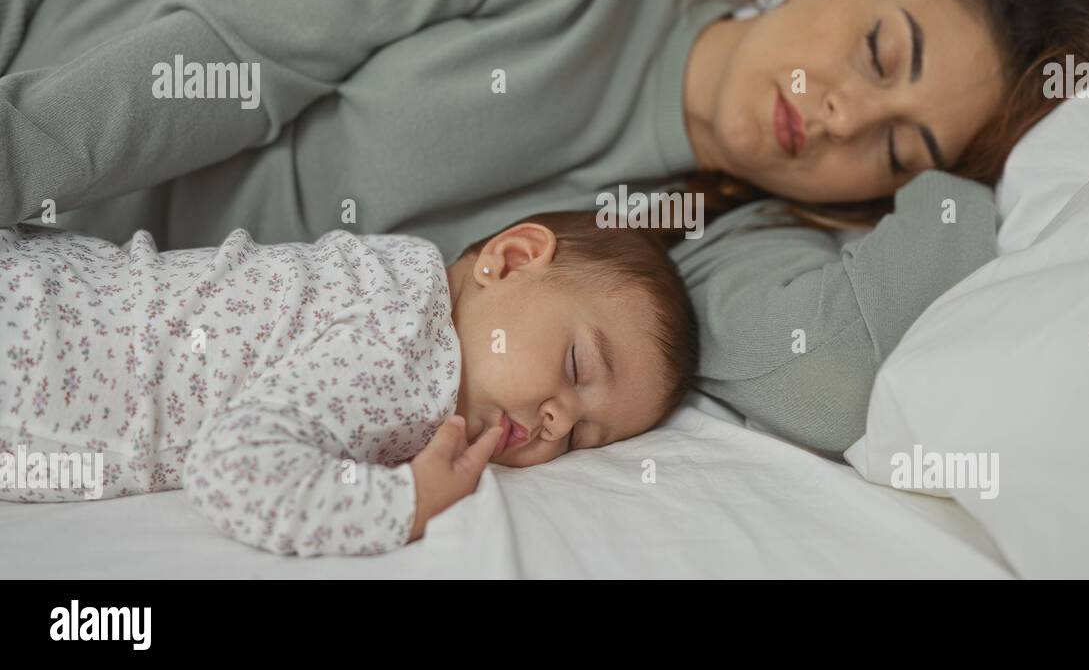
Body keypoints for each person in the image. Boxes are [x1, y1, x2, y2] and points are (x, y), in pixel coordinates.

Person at [0, 0, 1089, 458]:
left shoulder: (701, 246)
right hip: (58, 17)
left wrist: (984, 167)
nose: (840, 116)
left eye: (897, 144)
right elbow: (247, 50)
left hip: (85, 274)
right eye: (878, 53)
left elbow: (836, 381)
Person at [0, 211, 698, 556]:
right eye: (576, 367)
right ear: (511, 259)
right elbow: (233, 469)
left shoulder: (392, 278)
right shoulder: (410, 348)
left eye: (581, 434)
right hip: (37, 339)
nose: (555, 420)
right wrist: (406, 502)